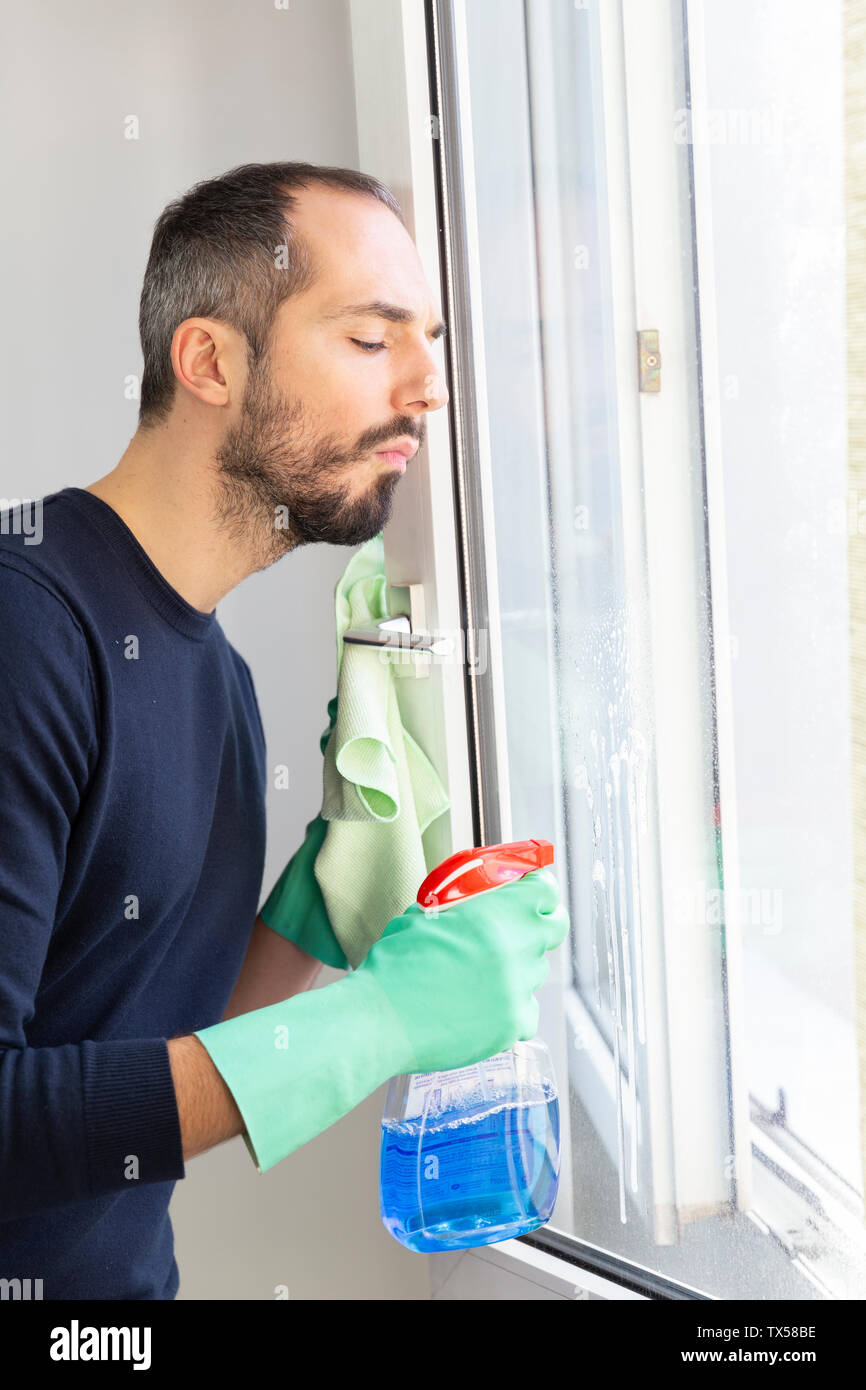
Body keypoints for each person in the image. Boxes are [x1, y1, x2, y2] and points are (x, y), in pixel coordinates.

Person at [0, 161, 569, 1300]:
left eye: (429, 342)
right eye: (371, 340)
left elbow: (143, 1043)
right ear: (208, 360)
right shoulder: (28, 632)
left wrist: (310, 907)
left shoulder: (217, 676)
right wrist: (378, 1018)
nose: (425, 386)